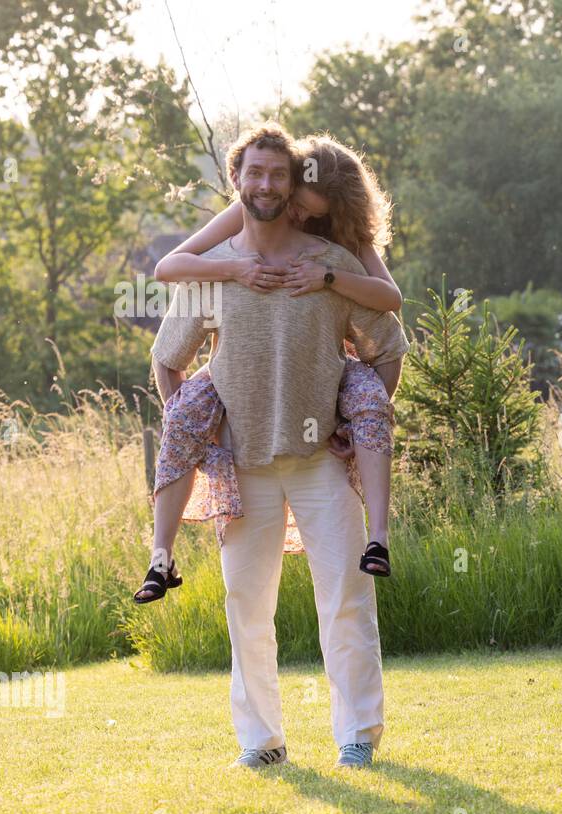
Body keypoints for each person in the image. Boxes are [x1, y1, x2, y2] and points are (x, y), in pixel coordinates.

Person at [147, 123, 410, 767]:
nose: (265, 185)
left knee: (346, 597)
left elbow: (389, 342)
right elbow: (167, 360)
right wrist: (197, 426)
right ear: (238, 182)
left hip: (322, 462)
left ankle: (356, 738)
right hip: (244, 464)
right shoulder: (214, 272)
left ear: (292, 185)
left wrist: (359, 418)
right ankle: (261, 744)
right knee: (246, 606)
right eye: (253, 175)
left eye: (277, 175)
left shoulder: (329, 265)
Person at [133, 132, 402, 605]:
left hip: (326, 392)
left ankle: (378, 536)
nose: (290, 211)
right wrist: (235, 271)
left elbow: (391, 304)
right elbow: (169, 268)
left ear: (328, 214)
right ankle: (161, 554)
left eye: (306, 212)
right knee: (185, 412)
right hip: (246, 438)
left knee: (367, 399)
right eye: (293, 201)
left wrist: (330, 277)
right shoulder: (248, 211)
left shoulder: (341, 246)